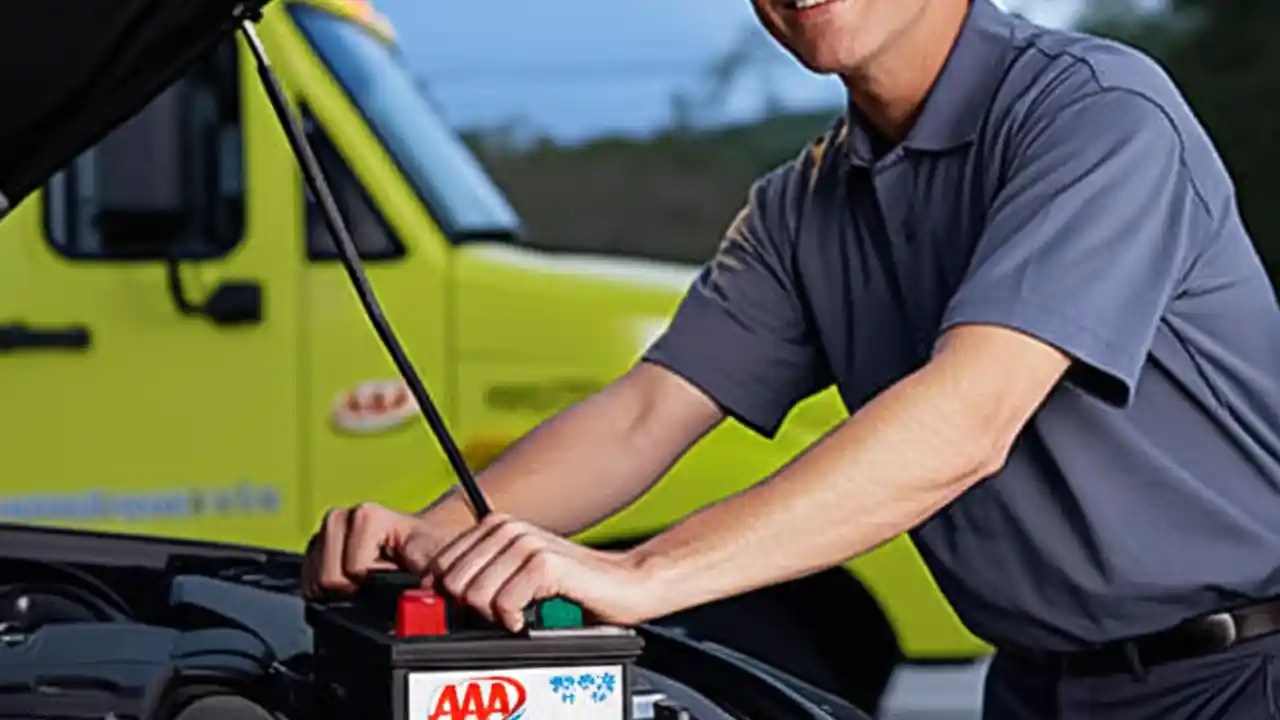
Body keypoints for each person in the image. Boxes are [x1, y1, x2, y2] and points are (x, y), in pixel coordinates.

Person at [302, 0, 1280, 716]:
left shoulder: (1097, 116)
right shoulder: (801, 203)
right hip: (1031, 686)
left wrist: (640, 575)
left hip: (1245, 674)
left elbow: (967, 418)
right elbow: (646, 412)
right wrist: (425, 546)